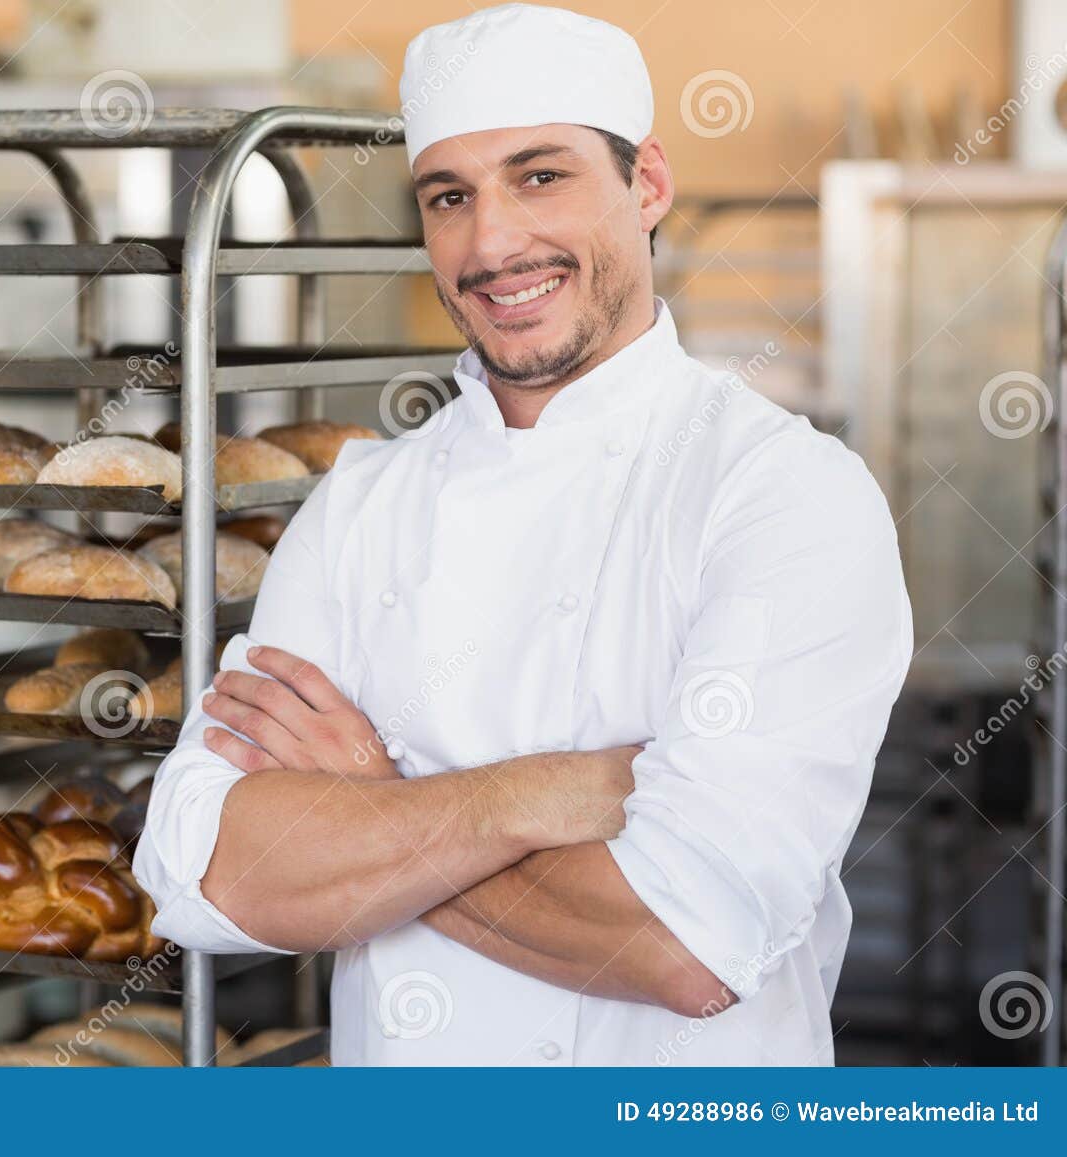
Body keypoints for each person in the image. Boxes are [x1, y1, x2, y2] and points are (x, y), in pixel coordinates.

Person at [133, 3, 912, 1066]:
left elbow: (683, 941)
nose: (492, 242)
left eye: (539, 175)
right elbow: (204, 870)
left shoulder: (783, 495)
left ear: (646, 185)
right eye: (449, 196)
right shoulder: (360, 503)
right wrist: (529, 796)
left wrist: (368, 812)